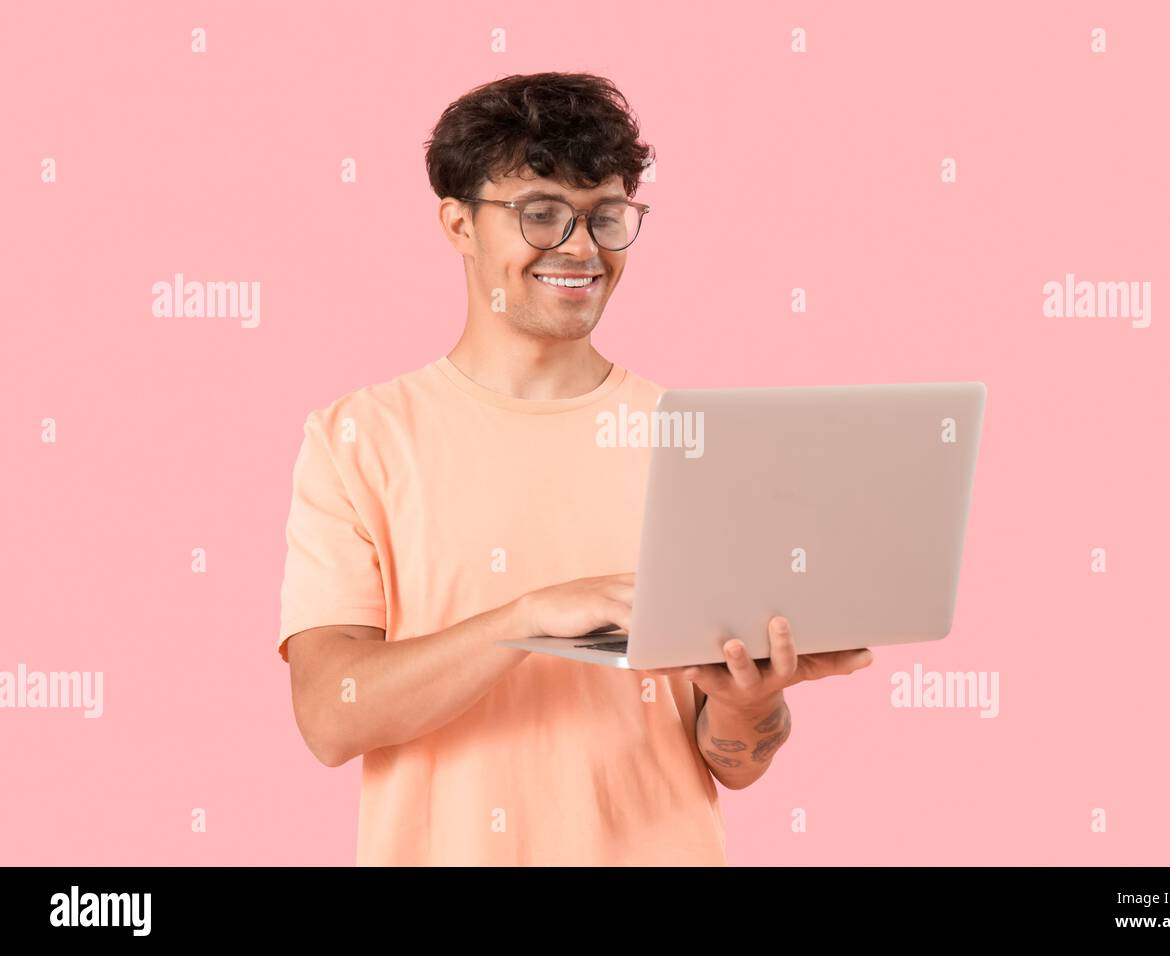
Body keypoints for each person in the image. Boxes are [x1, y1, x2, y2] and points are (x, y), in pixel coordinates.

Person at [276, 71, 874, 866]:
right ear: (458, 224)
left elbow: (735, 764)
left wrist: (748, 703)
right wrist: (526, 620)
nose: (581, 248)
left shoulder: (694, 439)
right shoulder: (357, 439)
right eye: (541, 214)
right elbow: (330, 716)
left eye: (607, 217)